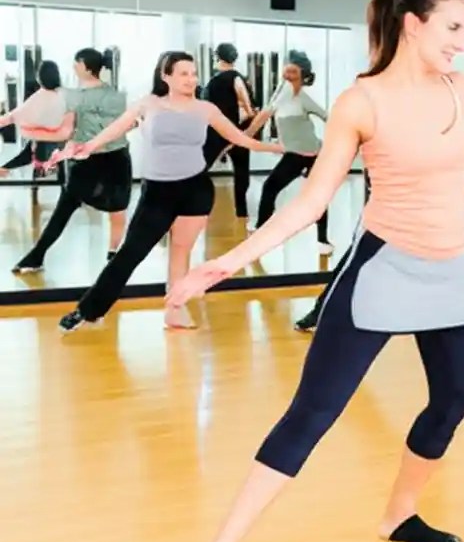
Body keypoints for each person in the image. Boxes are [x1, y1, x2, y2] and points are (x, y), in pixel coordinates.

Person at [147, 0, 464, 542]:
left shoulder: (462, 86)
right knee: (313, 413)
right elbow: (310, 203)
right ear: (413, 24)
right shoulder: (360, 101)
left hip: (450, 271)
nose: (461, 42)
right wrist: (223, 262)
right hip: (383, 267)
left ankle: (400, 514)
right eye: (453, 28)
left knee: (452, 402)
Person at [49, 51, 283, 332]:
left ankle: (175, 310)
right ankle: (89, 310)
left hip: (195, 189)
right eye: (184, 73)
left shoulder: (205, 109)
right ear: (166, 76)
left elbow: (240, 139)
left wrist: (280, 148)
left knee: (181, 253)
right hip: (157, 193)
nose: (191, 79)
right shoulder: (149, 105)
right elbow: (115, 130)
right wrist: (86, 148)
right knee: (131, 252)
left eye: (194, 73)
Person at [10, 49, 131, 272]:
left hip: (88, 160)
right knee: (118, 209)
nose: (73, 67)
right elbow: (126, 126)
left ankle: (37, 256)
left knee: (64, 209)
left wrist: (31, 133)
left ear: (85, 66)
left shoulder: (75, 97)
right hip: (118, 158)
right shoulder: (117, 95)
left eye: (76, 63)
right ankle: (113, 256)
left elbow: (64, 132)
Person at [243, 50, 334, 254]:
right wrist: (244, 136)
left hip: (310, 154)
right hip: (295, 153)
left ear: (301, 76)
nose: (287, 75)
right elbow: (264, 116)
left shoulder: (302, 98)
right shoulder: (281, 94)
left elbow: (328, 117)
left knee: (313, 196)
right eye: (287, 71)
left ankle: (322, 241)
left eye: (292, 72)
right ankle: (261, 231)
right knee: (271, 188)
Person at [201, 42, 257, 221]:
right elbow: (249, 111)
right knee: (242, 173)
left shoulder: (216, 81)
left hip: (218, 132)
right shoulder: (241, 79)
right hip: (238, 132)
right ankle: (242, 213)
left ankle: (183, 208)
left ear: (218, 58)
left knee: (198, 169)